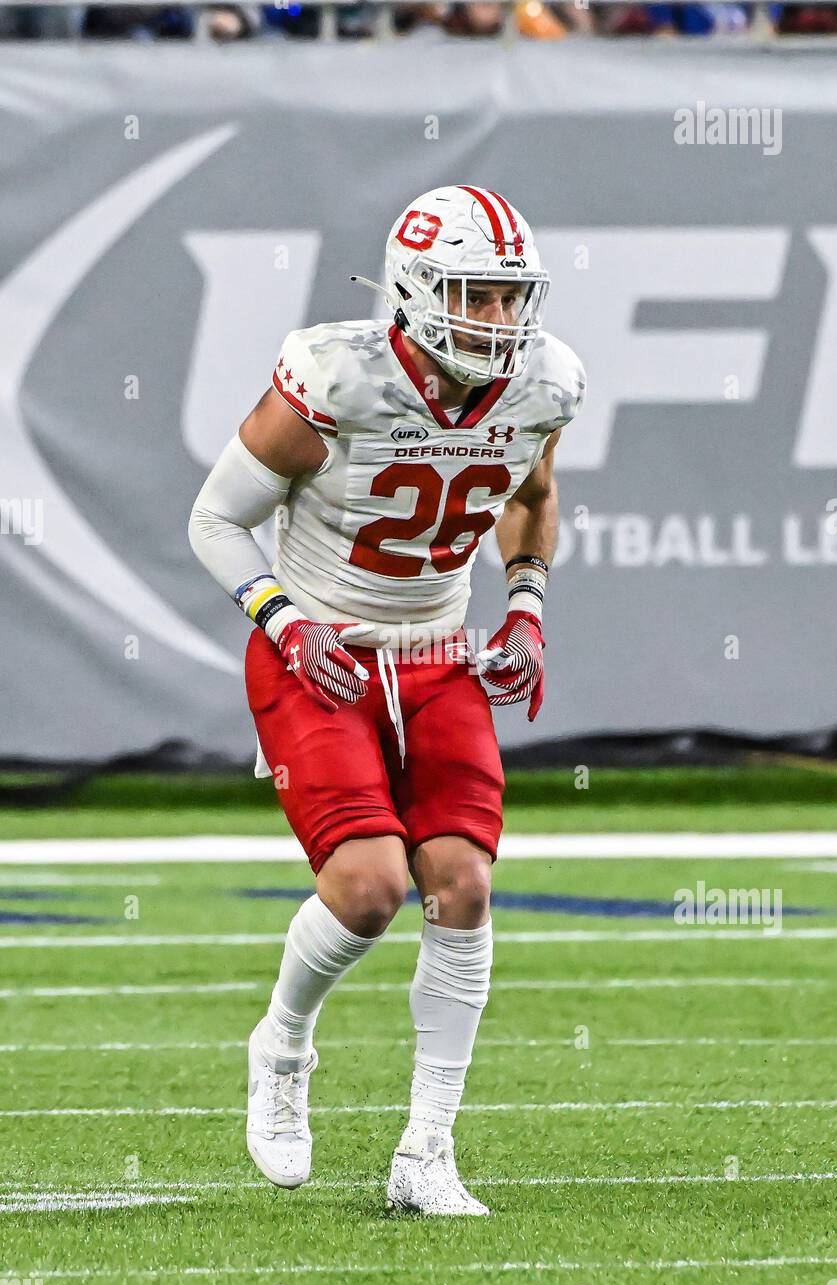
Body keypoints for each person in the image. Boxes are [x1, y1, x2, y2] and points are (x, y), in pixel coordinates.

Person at [189, 185, 585, 1215]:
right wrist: (284, 619)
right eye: (474, 295)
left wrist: (527, 607)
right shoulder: (335, 376)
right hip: (316, 649)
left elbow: (530, 497)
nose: (496, 322)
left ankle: (425, 1150)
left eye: (509, 299)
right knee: (367, 889)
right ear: (414, 292)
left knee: (462, 883)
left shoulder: (541, 383)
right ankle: (281, 1043)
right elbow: (215, 520)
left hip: (439, 652)